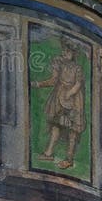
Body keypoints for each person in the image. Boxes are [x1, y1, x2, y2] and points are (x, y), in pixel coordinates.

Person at [33, 38, 86, 170]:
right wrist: (39, 84)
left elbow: (78, 84)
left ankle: (69, 159)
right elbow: (53, 80)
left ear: (73, 54)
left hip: (73, 101)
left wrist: (69, 94)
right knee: (55, 125)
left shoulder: (77, 68)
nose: (64, 53)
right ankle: (49, 152)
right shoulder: (60, 64)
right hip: (59, 97)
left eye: (68, 51)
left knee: (72, 130)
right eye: (64, 50)